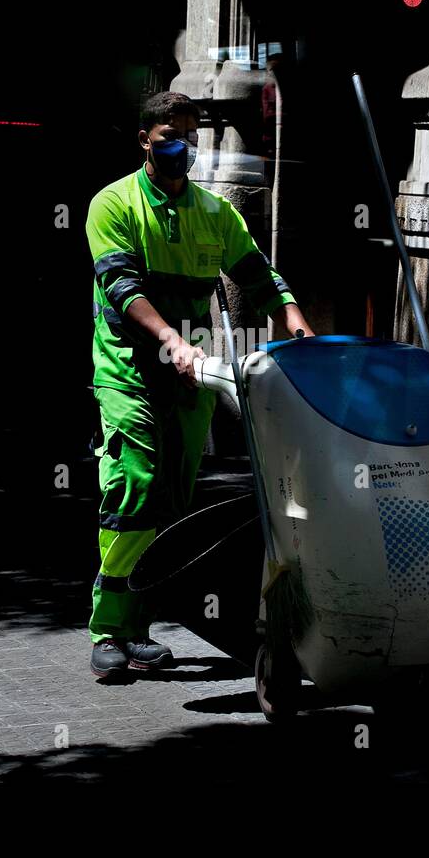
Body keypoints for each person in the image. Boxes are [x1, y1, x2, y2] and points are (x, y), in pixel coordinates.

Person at [86, 91, 313, 679]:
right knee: (134, 489)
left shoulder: (216, 213)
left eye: (190, 135)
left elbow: (258, 275)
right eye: (170, 137)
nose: (182, 147)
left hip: (193, 379)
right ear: (145, 140)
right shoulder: (112, 205)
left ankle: (139, 629)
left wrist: (295, 321)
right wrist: (173, 341)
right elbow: (121, 289)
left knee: (174, 504)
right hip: (130, 373)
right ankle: (110, 628)